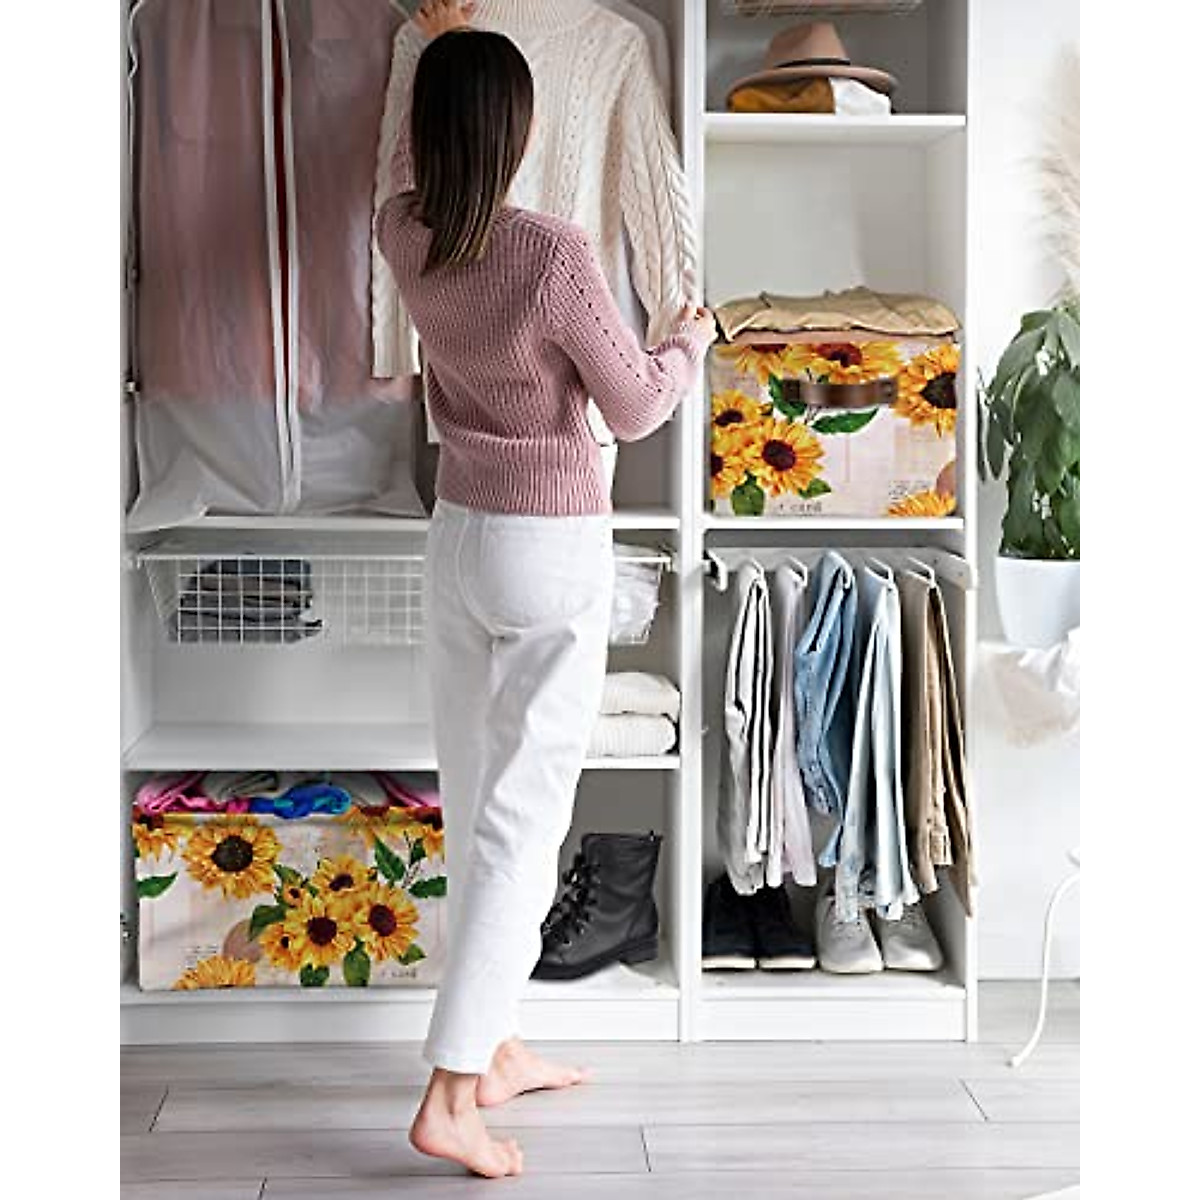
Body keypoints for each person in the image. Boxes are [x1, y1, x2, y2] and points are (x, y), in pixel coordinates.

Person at [374, 0, 715, 1180]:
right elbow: (633, 405)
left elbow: (438, 168)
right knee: (526, 821)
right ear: (517, 133)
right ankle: (450, 1093)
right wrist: (690, 339)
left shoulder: (400, 230)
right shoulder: (555, 253)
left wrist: (436, 44)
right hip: (546, 537)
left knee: (478, 797)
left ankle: (499, 1042)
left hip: (457, 529)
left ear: (423, 131)